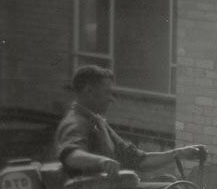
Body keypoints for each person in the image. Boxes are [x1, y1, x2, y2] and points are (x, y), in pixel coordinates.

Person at [54, 65, 204, 177]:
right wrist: (101, 161)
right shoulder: (76, 122)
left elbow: (139, 161)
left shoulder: (98, 123)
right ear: (89, 92)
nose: (111, 99)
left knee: (169, 183)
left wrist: (179, 154)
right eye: (107, 92)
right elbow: (71, 155)